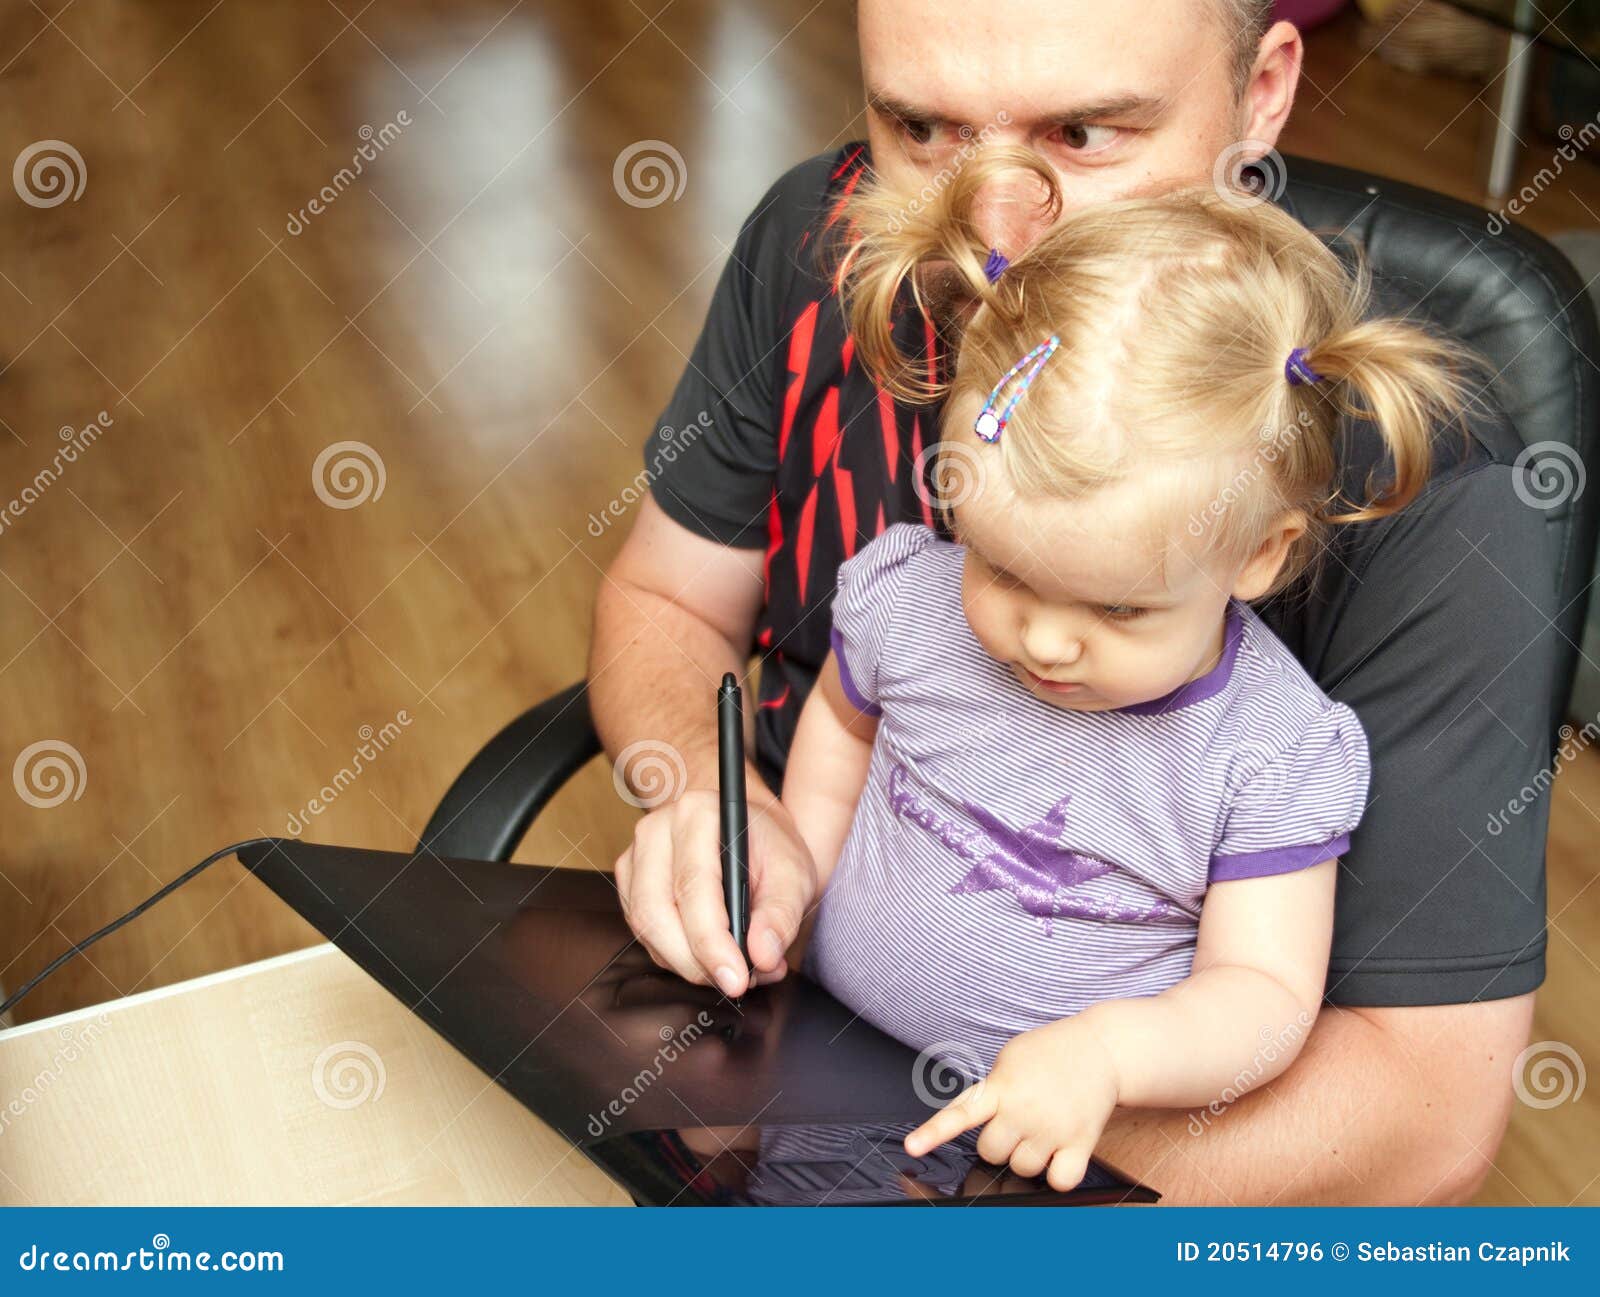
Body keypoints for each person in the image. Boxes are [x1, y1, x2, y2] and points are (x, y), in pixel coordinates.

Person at [592, 0, 1556, 1204]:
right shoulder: (820, 233)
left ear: (1260, 93)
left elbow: (1420, 1119)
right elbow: (667, 599)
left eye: (1087, 133)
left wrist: (917, 1165)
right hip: (773, 1044)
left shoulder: (1437, 476)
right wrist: (718, 802)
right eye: (921, 125)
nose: (991, 232)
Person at [783, 161, 1474, 1189]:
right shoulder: (910, 606)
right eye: (1005, 569)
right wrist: (791, 877)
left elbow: (1261, 997)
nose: (1046, 642)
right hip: (806, 1086)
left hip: (1033, 1175)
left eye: (1116, 607)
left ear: (1258, 554)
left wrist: (1108, 1057)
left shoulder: (1266, 753)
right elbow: (842, 732)